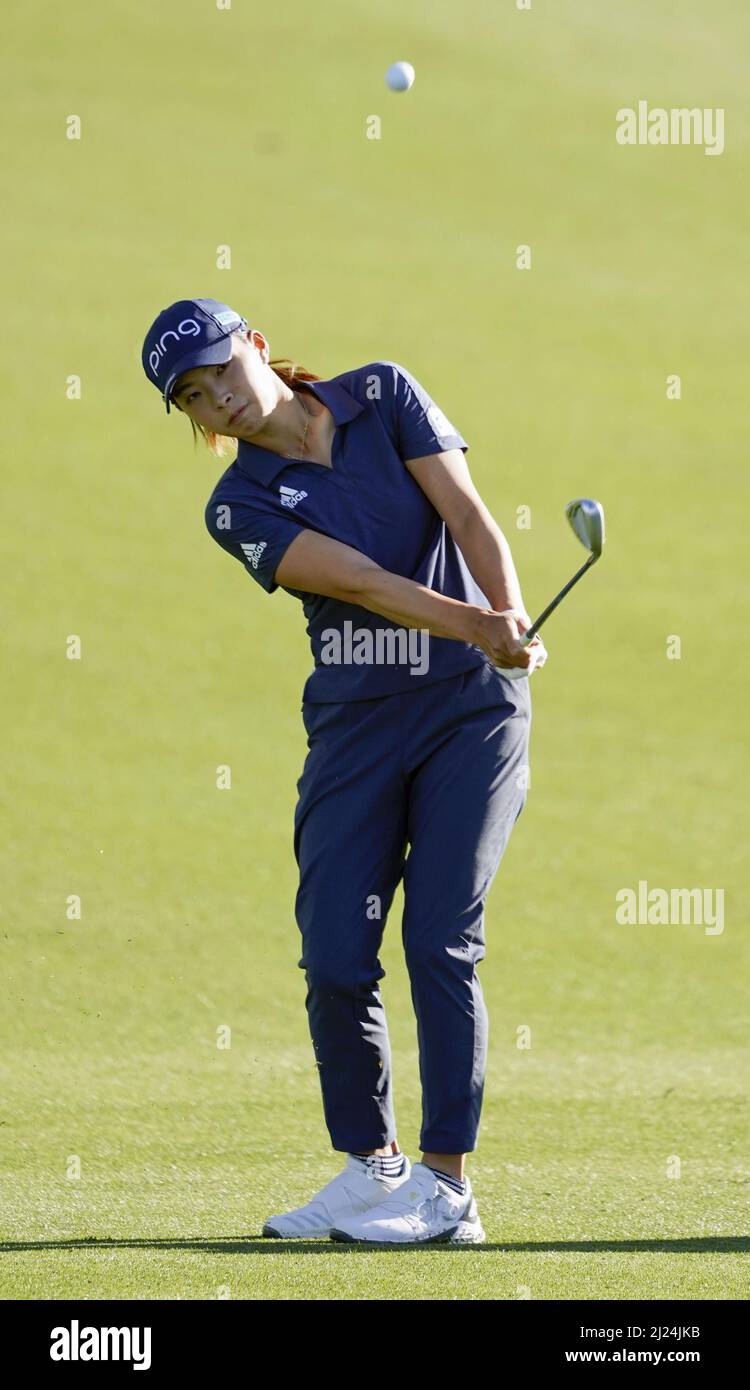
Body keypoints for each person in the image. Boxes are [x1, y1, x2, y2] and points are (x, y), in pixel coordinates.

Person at [141, 297, 547, 1246]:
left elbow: (470, 513)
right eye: (195, 399)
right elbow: (360, 582)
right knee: (333, 954)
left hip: (469, 715)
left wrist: (510, 618)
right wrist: (477, 625)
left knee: (439, 941)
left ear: (260, 349)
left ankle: (446, 1190)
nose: (221, 403)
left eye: (222, 373)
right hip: (356, 727)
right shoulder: (235, 507)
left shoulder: (383, 393)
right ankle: (375, 1172)